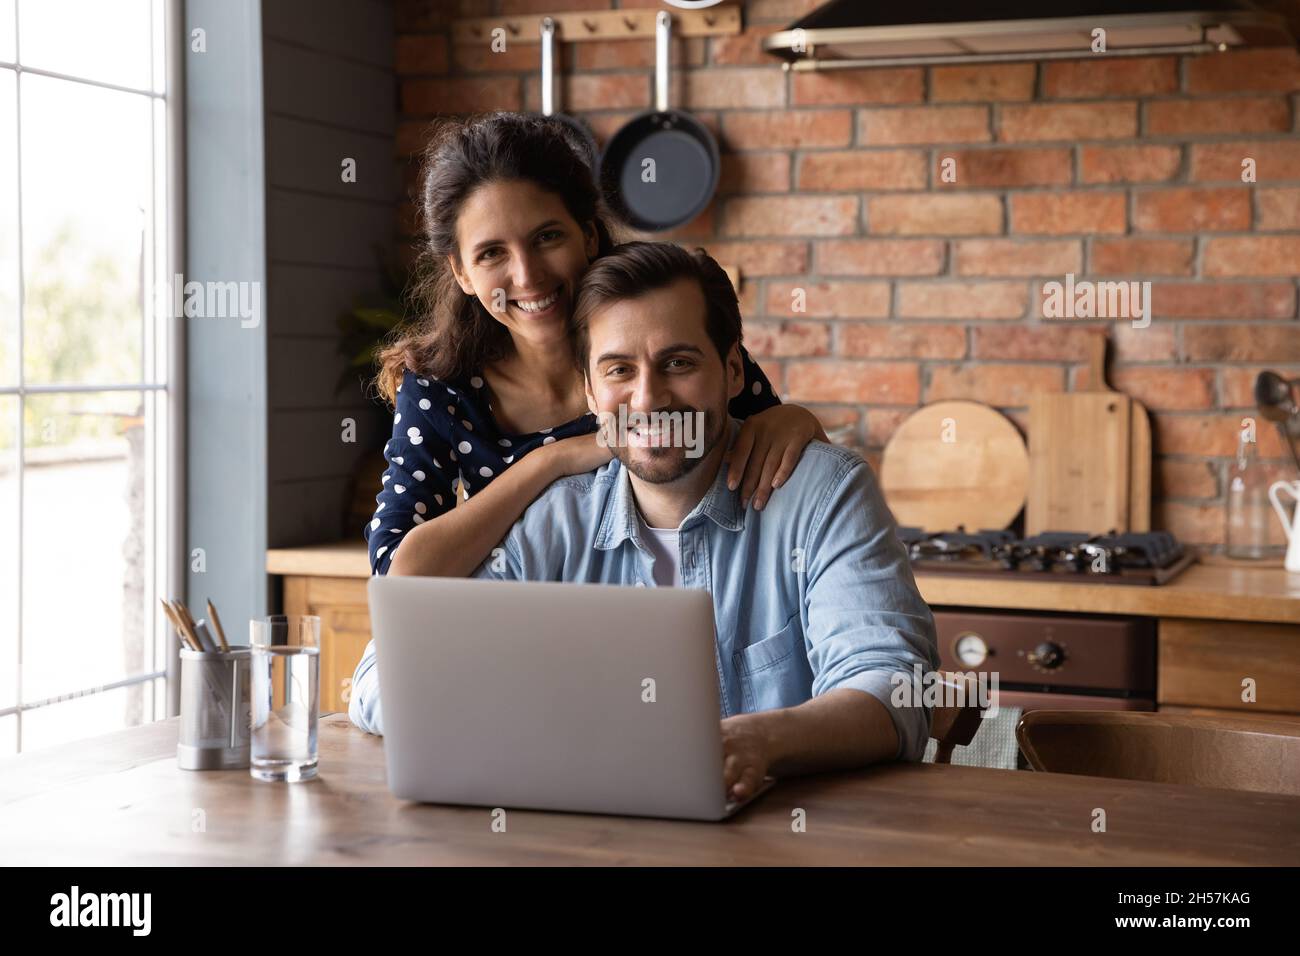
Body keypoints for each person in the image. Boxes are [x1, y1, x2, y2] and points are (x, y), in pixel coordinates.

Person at [351, 241, 940, 803]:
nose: (649, 399)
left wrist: (757, 741)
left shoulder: (825, 494)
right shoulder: (556, 519)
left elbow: (893, 690)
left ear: (733, 372)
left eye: (678, 363)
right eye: (618, 371)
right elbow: (384, 671)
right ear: (588, 390)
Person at [365, 112, 828, 579]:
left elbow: (799, 483)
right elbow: (396, 575)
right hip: (526, 633)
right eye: (492, 253)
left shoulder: (673, 348)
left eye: (547, 237)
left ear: (587, 235)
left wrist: (796, 420)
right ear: (462, 271)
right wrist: (553, 460)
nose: (527, 276)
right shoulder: (441, 389)